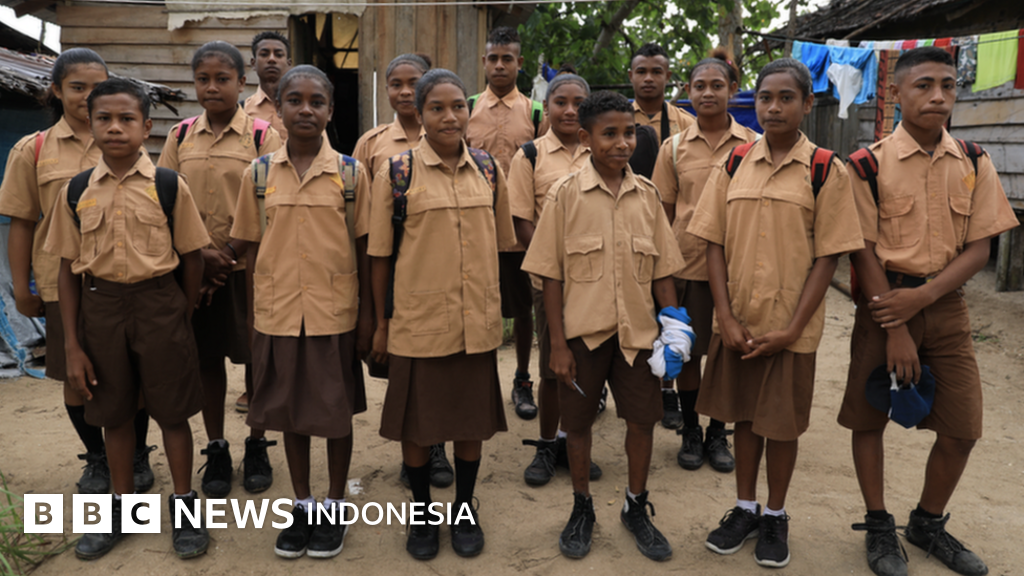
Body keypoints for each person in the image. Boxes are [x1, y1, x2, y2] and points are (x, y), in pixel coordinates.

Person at [839, 47, 1018, 576]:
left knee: (963, 427)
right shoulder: (867, 165)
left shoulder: (975, 160)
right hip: (884, 304)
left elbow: (980, 249)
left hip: (946, 308)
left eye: (948, 85)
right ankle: (879, 525)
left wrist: (925, 296)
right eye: (923, 85)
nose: (938, 96)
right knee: (870, 418)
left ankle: (927, 521)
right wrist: (896, 325)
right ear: (896, 93)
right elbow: (861, 250)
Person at [688, 58, 864, 568]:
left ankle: (775, 514)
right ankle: (745, 508)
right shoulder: (735, 163)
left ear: (807, 104)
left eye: (787, 98)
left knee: (781, 427)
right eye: (766, 97)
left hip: (791, 326)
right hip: (739, 322)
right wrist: (725, 316)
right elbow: (714, 243)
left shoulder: (826, 169)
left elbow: (829, 256)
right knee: (745, 418)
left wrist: (792, 329)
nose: (774, 107)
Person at [45, 77, 211, 560]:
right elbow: (67, 270)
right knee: (114, 413)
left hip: (160, 305)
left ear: (147, 126)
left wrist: (179, 314)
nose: (115, 128)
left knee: (172, 413)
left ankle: (185, 507)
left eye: (126, 119)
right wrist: (73, 344)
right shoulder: (76, 190)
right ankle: (124, 509)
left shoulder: (168, 186)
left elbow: (193, 258)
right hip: (101, 308)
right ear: (90, 123)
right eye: (104, 119)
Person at [522, 90, 685, 562]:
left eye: (629, 132)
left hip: (637, 337)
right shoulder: (565, 194)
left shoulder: (648, 196)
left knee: (642, 421)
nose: (622, 142)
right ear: (585, 138)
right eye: (609, 134)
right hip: (582, 337)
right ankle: (582, 507)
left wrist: (675, 329)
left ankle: (636, 506)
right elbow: (551, 275)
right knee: (577, 427)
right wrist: (557, 345)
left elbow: (663, 272)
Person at [368, 68, 516, 560]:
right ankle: (423, 512)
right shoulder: (397, 172)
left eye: (458, 107)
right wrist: (382, 324)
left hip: (476, 323)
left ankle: (465, 507)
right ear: (420, 113)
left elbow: (501, 244)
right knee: (418, 426)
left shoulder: (488, 170)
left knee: (470, 423)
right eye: (437, 108)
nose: (449, 117)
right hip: (418, 324)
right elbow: (380, 257)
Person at [0, 48, 155, 496]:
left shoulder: (126, 140)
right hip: (60, 283)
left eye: (96, 86)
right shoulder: (34, 150)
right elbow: (22, 223)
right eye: (77, 87)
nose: (88, 97)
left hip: (123, 281)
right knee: (75, 376)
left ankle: (137, 455)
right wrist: (22, 289)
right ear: (55, 90)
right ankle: (98, 457)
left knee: (131, 375)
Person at [231, 65, 371, 559]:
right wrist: (253, 318)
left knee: (334, 413)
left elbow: (365, 249)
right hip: (279, 314)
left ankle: (335, 504)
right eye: (295, 100)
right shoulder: (259, 174)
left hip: (335, 314)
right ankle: (303, 502)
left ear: (331, 111)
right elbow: (249, 249)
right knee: (290, 413)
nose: (306, 109)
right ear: (279, 107)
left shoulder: (351, 174)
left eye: (317, 101)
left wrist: (369, 319)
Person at [158, 41, 283, 498]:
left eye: (222, 79)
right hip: (195, 268)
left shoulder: (262, 137)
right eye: (203, 79)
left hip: (249, 270)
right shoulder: (179, 137)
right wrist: (199, 256)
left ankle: (256, 444)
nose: (212, 87)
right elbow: (164, 200)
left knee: (255, 359)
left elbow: (272, 203)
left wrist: (226, 255)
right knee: (207, 360)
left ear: (241, 82)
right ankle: (217, 447)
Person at [650, 48, 756, 471]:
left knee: (729, 353)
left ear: (733, 90)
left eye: (717, 85)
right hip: (688, 267)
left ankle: (717, 432)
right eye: (699, 86)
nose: (707, 93)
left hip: (738, 270)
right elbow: (663, 213)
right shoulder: (674, 148)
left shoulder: (754, 145)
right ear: (688, 91)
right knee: (691, 353)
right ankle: (691, 428)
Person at [507, 73, 602, 486]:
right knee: (552, 366)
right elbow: (521, 221)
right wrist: (555, 267)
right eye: (560, 102)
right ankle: (547, 444)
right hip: (550, 281)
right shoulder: (529, 156)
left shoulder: (601, 151)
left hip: (596, 282)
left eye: (578, 103)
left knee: (588, 366)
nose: (569, 110)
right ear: (546, 107)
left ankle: (571, 441)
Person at [466, 26, 544, 421]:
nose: (499, 65)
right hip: (475, 230)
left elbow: (544, 166)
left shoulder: (535, 112)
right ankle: (478, 382)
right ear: (484, 62)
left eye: (507, 59)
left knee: (524, 308)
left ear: (519, 63)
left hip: (519, 232)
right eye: (493, 59)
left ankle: (522, 379)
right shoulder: (466, 108)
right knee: (476, 308)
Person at [352, 53, 431, 179]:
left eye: (414, 84)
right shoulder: (370, 143)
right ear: (387, 90)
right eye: (396, 85)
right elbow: (358, 188)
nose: (405, 92)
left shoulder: (445, 137)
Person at [629, 42, 694, 143]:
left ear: (667, 76)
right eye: (641, 72)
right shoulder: (617, 120)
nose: (648, 79)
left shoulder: (687, 123)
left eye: (656, 72)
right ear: (631, 76)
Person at [243, 31, 291, 142]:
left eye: (279, 55)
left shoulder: (301, 109)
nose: (271, 59)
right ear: (253, 63)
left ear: (288, 64)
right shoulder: (243, 111)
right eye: (264, 54)